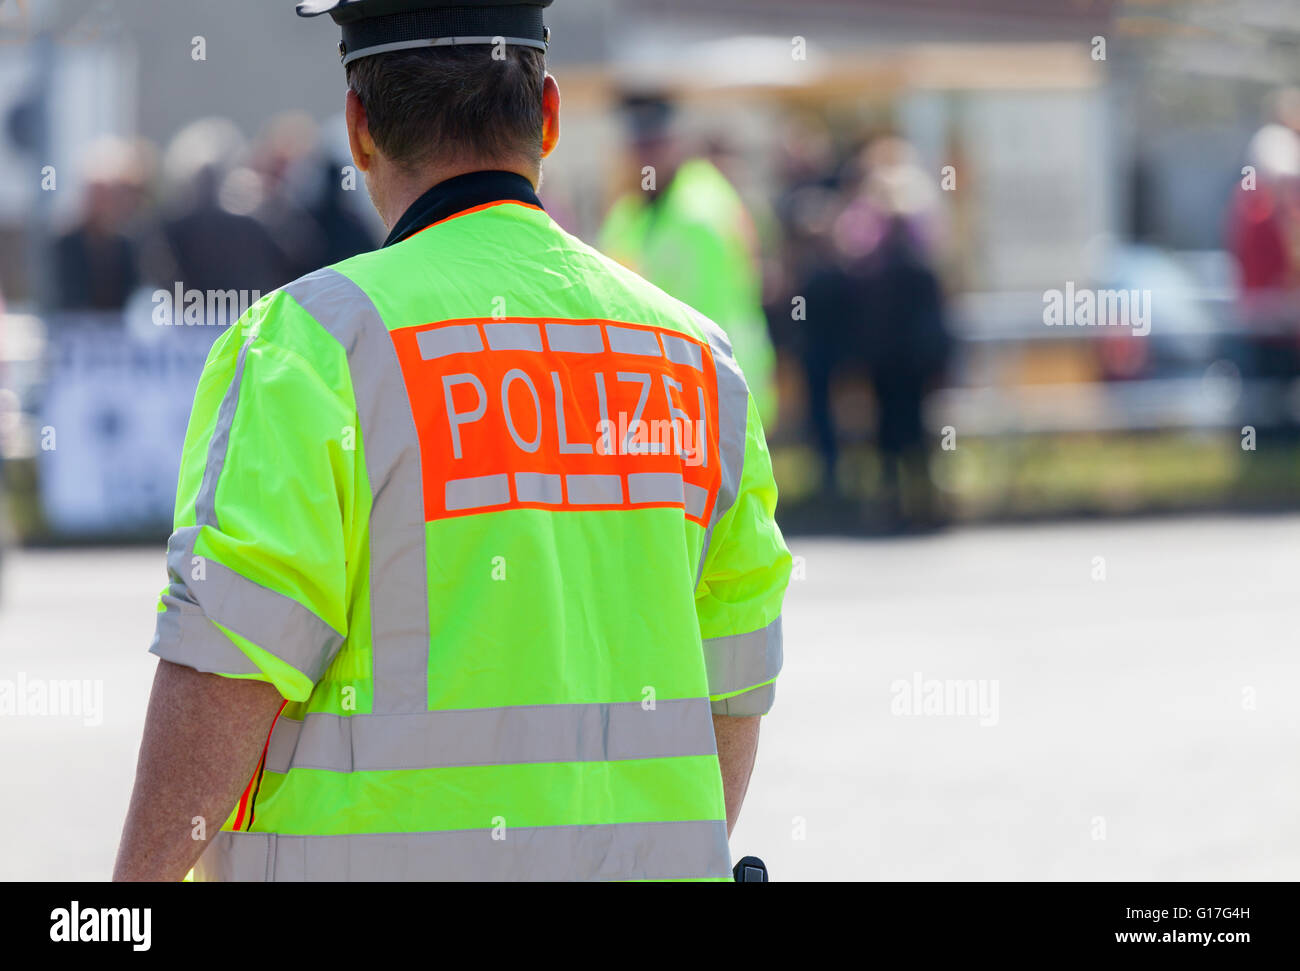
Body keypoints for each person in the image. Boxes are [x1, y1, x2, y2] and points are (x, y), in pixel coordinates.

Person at [113, 0, 790, 882]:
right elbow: (734, 677)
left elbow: (229, 658)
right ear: (546, 115)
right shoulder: (696, 359)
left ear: (360, 127)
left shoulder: (315, 343)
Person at [599, 94, 779, 426]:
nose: (644, 159)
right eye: (638, 148)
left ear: (676, 144)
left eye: (654, 146)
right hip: (669, 389)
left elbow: (704, 315)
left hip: (716, 388)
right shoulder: (633, 210)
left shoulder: (700, 211)